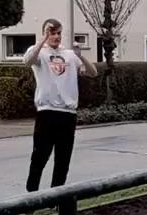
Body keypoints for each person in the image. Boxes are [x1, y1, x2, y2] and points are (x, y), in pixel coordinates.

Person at [23, 18, 97, 192]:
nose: (56, 36)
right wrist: (42, 40)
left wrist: (81, 57)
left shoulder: (69, 55)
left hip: (67, 113)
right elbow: (28, 61)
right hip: (47, 112)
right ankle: (31, 197)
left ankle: (56, 198)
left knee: (63, 160)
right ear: (45, 34)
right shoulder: (39, 52)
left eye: (58, 33)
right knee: (40, 156)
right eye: (52, 33)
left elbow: (93, 72)